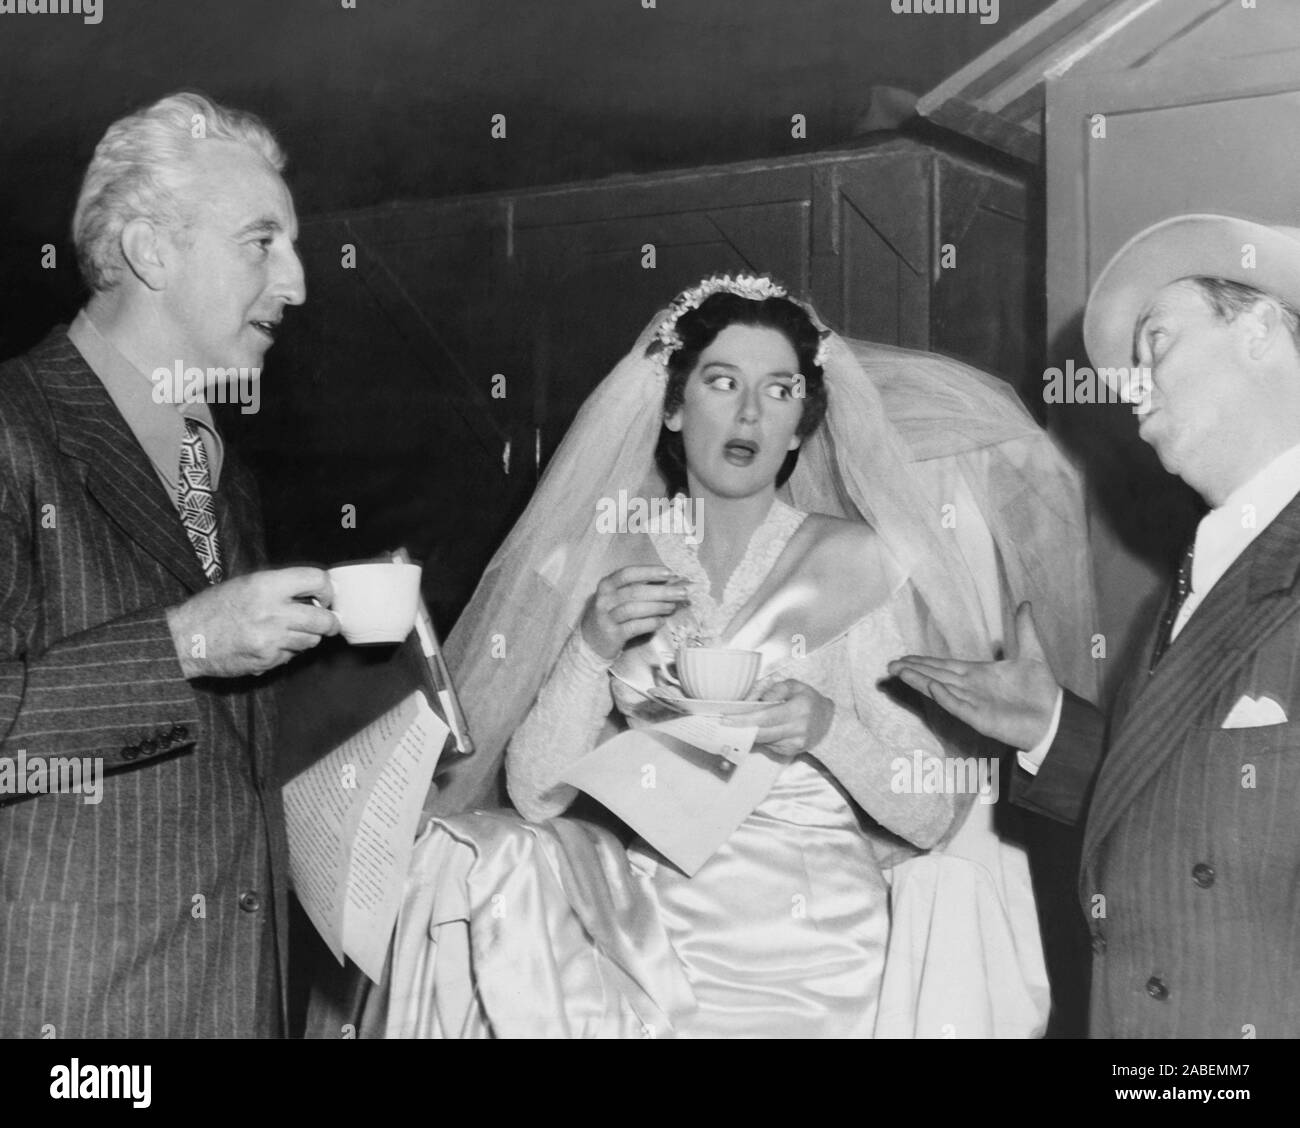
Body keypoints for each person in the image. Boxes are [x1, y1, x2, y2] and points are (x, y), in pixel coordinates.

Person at [361, 274, 1096, 1038]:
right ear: (673, 408)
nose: (750, 412)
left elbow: (929, 814)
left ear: (801, 425)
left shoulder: (859, 561)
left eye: (780, 391)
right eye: (723, 382)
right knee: (477, 861)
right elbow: (539, 795)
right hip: (655, 930)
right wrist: (589, 648)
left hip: (821, 943)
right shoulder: (602, 562)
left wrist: (825, 729)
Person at [890, 213, 1300, 1038]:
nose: (1132, 385)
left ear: (1259, 331)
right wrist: (1046, 728)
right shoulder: (1197, 574)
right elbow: (1174, 809)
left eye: (1158, 344)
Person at [0, 91, 339, 1037]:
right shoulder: (11, 431)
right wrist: (184, 642)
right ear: (151, 252)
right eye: (261, 241)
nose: (300, 283)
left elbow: (216, 762)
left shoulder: (222, 473)